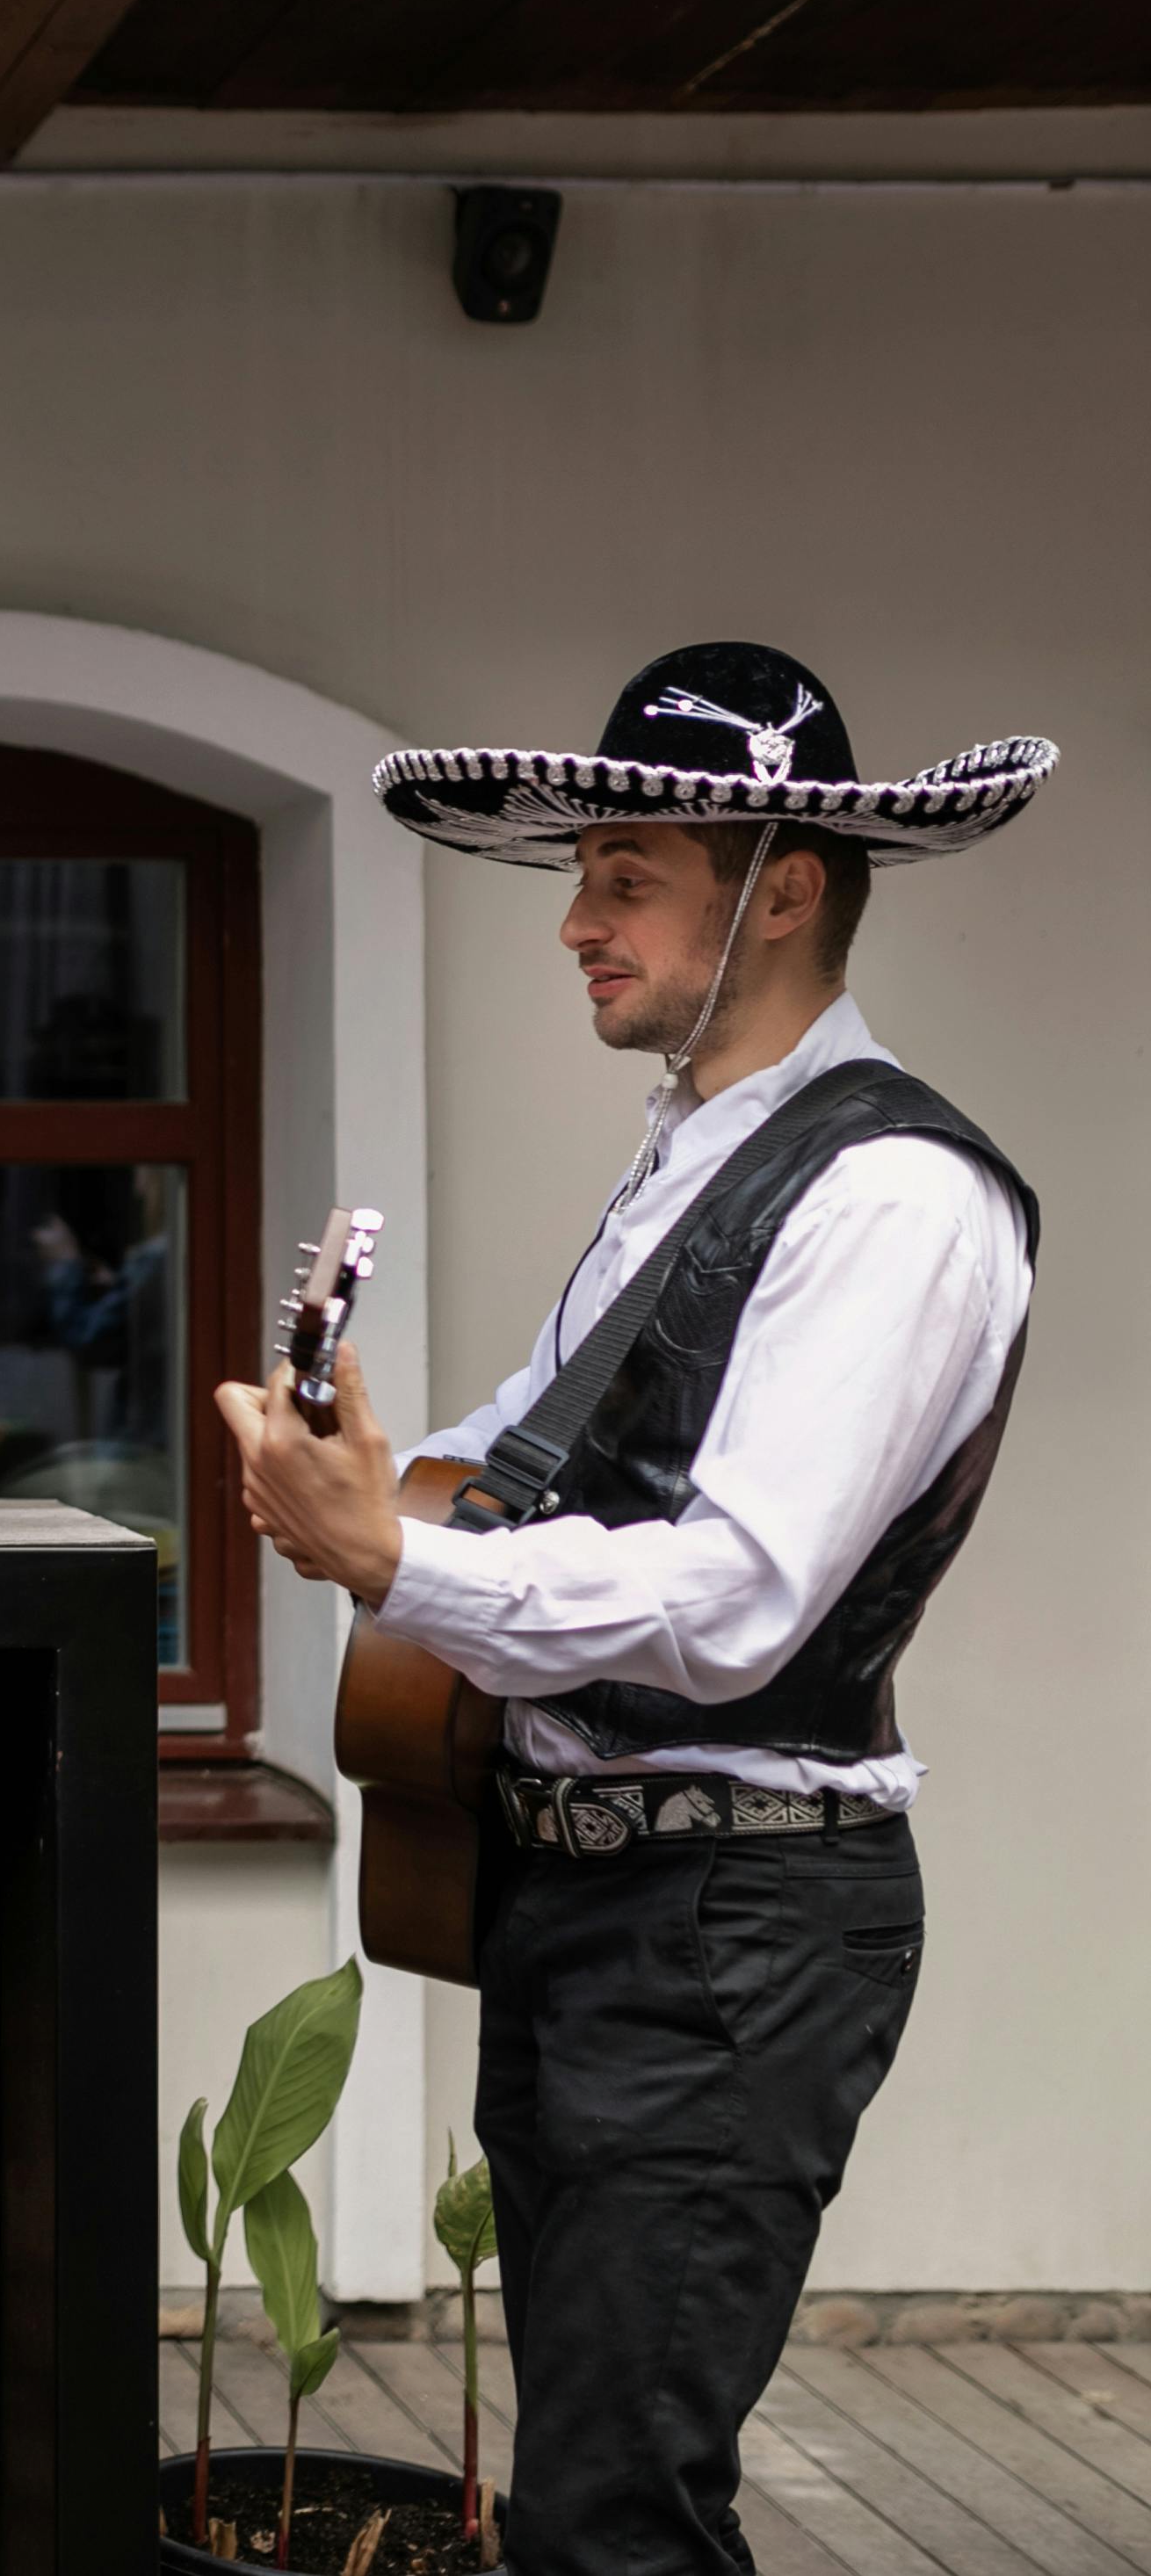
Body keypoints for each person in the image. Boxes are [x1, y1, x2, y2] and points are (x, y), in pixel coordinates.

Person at [222, 645, 1050, 2576]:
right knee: (588, 2494)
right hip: (600, 1901)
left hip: (731, 1922)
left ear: (779, 882)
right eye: (578, 872)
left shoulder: (895, 1194)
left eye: (625, 871)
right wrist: (367, 1478)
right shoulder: (697, 1146)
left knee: (615, 2514)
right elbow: (512, 1451)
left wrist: (396, 1559)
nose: (574, 921)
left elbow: (741, 1593)